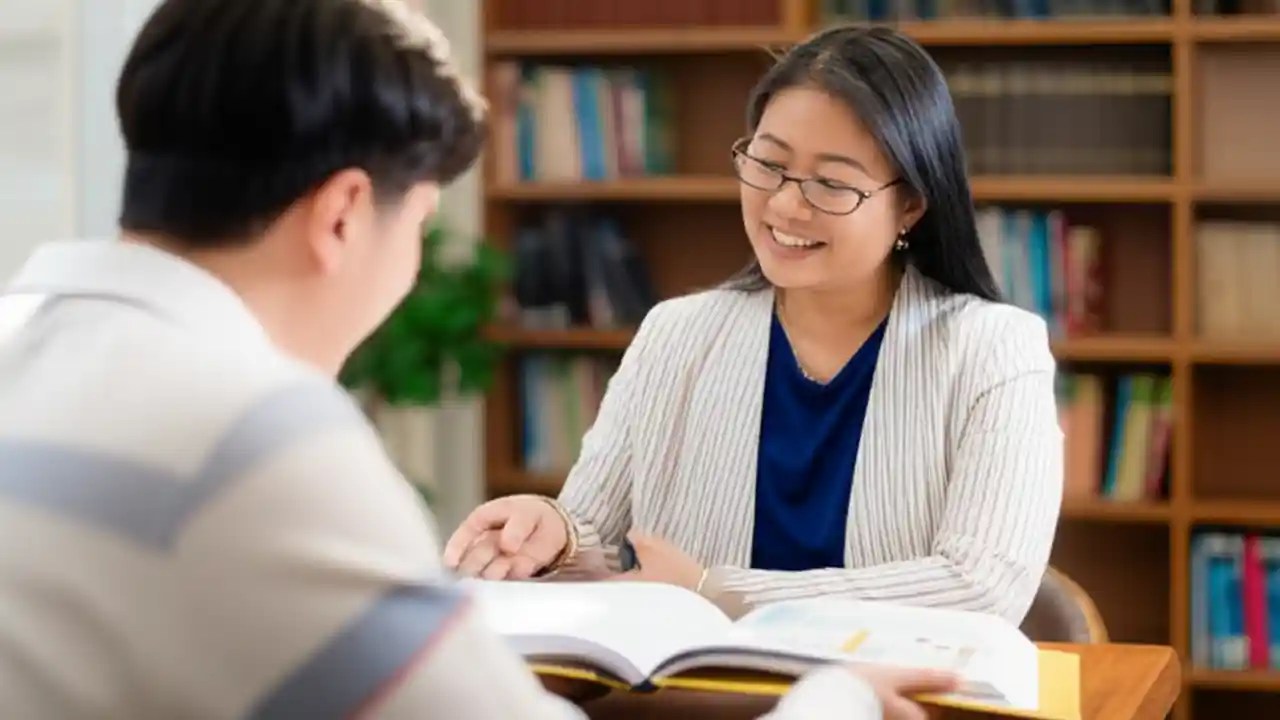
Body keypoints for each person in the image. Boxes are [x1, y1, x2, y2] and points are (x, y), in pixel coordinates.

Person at [0, 1, 956, 718]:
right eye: (419, 221)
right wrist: (837, 701)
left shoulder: (24, 342)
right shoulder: (255, 434)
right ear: (344, 216)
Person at [446, 24, 1064, 626]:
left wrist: (713, 592)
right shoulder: (676, 335)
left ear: (911, 205)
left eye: (832, 183)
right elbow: (596, 539)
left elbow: (983, 586)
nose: (785, 205)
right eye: (768, 164)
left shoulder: (993, 350)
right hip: (691, 683)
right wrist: (551, 537)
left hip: (895, 684)